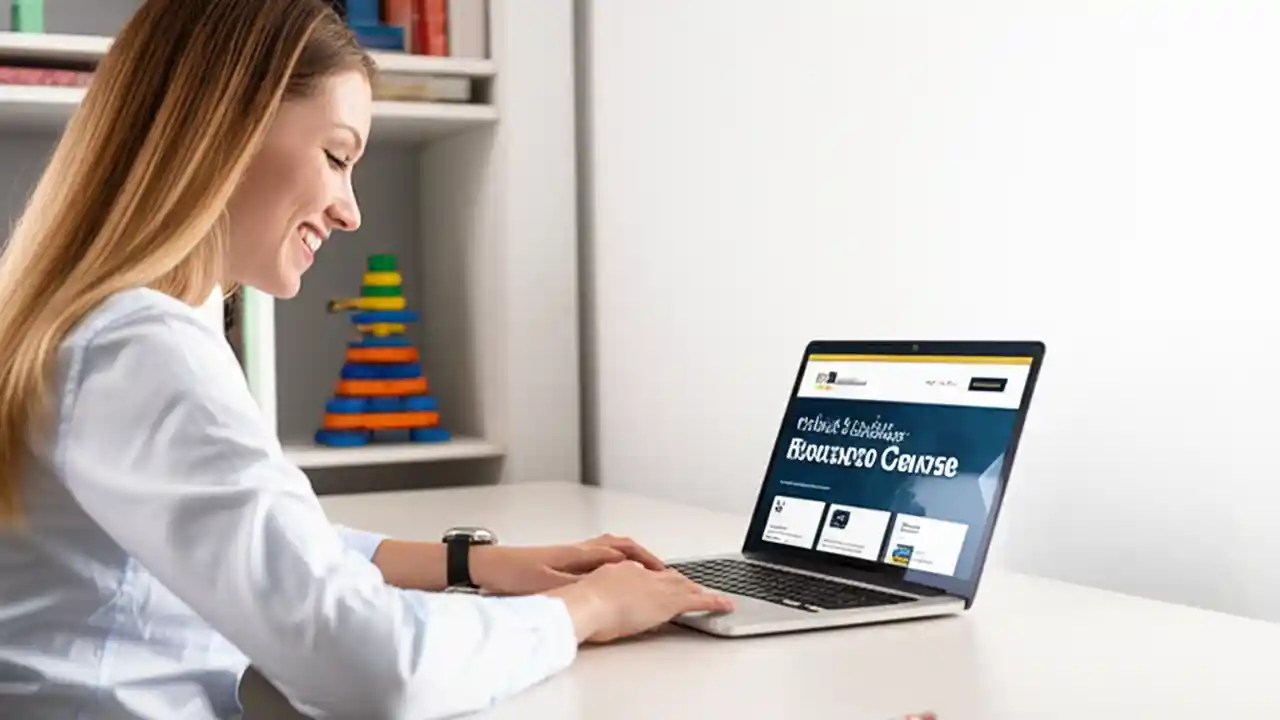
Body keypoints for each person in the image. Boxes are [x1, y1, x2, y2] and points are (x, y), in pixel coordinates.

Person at [0, 1, 733, 718]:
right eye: (336, 156)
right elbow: (375, 668)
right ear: (228, 125)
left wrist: (473, 565)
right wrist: (589, 608)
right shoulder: (140, 347)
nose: (351, 210)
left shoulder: (96, 326)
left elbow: (264, 541)